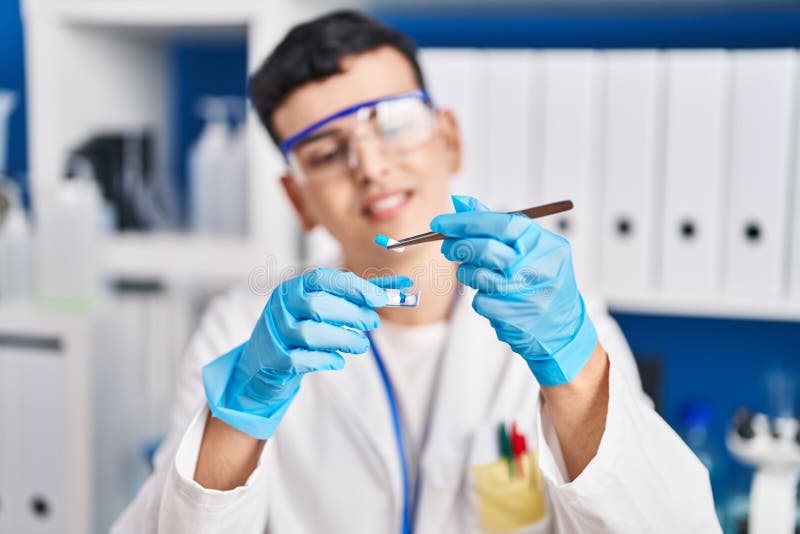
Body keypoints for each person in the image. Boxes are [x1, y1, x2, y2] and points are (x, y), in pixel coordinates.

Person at [112, 10, 720, 534]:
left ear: (449, 139)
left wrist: (575, 366)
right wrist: (240, 411)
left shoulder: (556, 310)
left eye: (394, 123)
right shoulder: (243, 331)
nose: (371, 166)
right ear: (298, 199)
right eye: (325, 154)